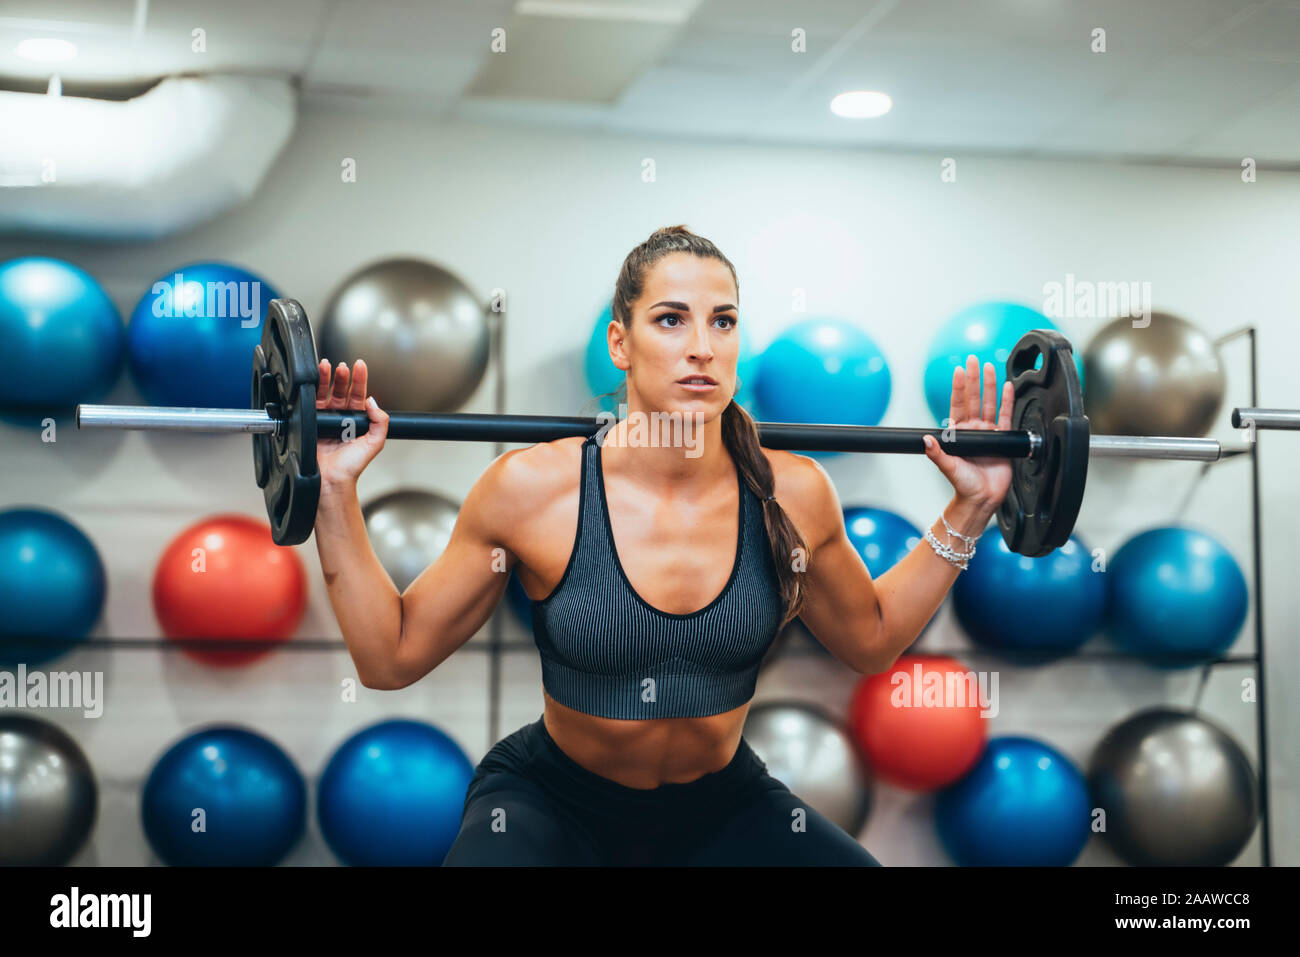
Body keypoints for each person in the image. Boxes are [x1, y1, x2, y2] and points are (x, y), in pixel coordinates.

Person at [311, 225, 1013, 866]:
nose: (702, 346)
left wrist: (971, 505)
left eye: (724, 321)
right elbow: (389, 655)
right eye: (671, 319)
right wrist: (333, 489)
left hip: (722, 805)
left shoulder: (794, 492)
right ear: (620, 343)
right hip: (555, 801)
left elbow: (872, 641)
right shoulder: (533, 489)